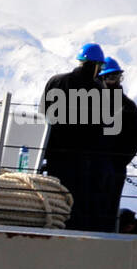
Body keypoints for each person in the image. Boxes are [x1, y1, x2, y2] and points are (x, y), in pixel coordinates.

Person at [40, 43, 108, 231]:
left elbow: (43, 117)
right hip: (83, 160)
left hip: (56, 156)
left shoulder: (56, 82)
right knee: (78, 205)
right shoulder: (98, 90)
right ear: (95, 65)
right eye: (100, 67)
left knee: (56, 199)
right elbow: (102, 126)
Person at [97, 57, 137, 232]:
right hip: (97, 168)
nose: (114, 82)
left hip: (113, 169)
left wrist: (116, 163)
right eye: (109, 78)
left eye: (117, 77)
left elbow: (134, 141)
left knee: (107, 211)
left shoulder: (127, 106)